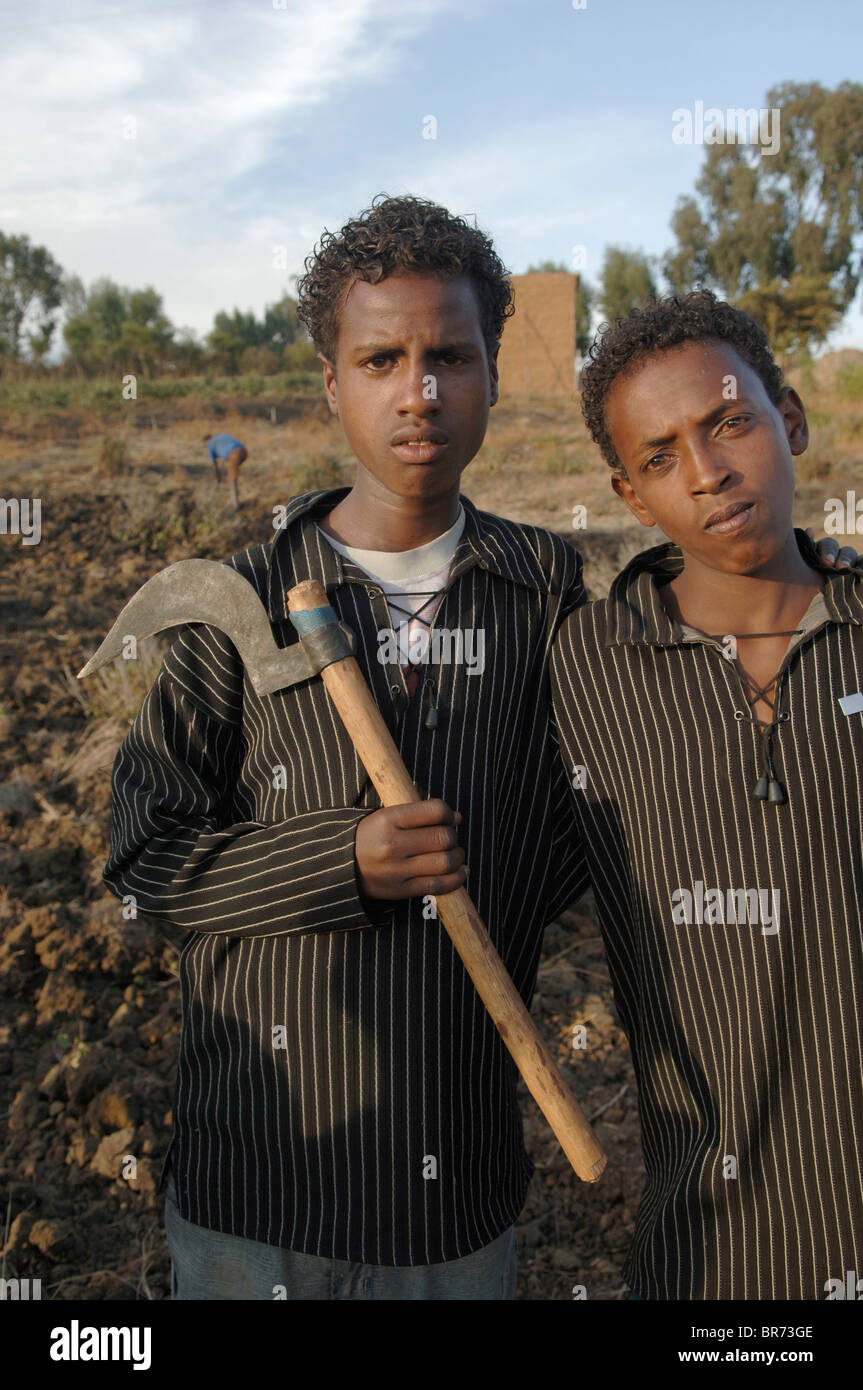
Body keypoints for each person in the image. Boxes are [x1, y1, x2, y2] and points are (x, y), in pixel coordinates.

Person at [102, 194, 589, 1301]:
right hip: (257, 1190)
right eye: (380, 358)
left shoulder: (544, 591)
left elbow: (582, 819)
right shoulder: (233, 600)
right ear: (332, 381)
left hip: (451, 1193)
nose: (417, 391)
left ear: (491, 375)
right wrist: (343, 861)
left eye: (447, 356)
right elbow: (144, 864)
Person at [549, 289, 863, 1301]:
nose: (707, 473)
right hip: (713, 1256)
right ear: (629, 495)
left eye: (729, 422)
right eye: (658, 456)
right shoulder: (584, 671)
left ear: (789, 416)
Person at [203, 431, 247, 511]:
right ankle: (238, 493)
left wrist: (218, 478)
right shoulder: (222, 435)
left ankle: (235, 504)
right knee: (233, 472)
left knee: (232, 480)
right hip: (244, 451)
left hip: (233, 455)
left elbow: (215, 465)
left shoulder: (209, 446)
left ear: (206, 442)